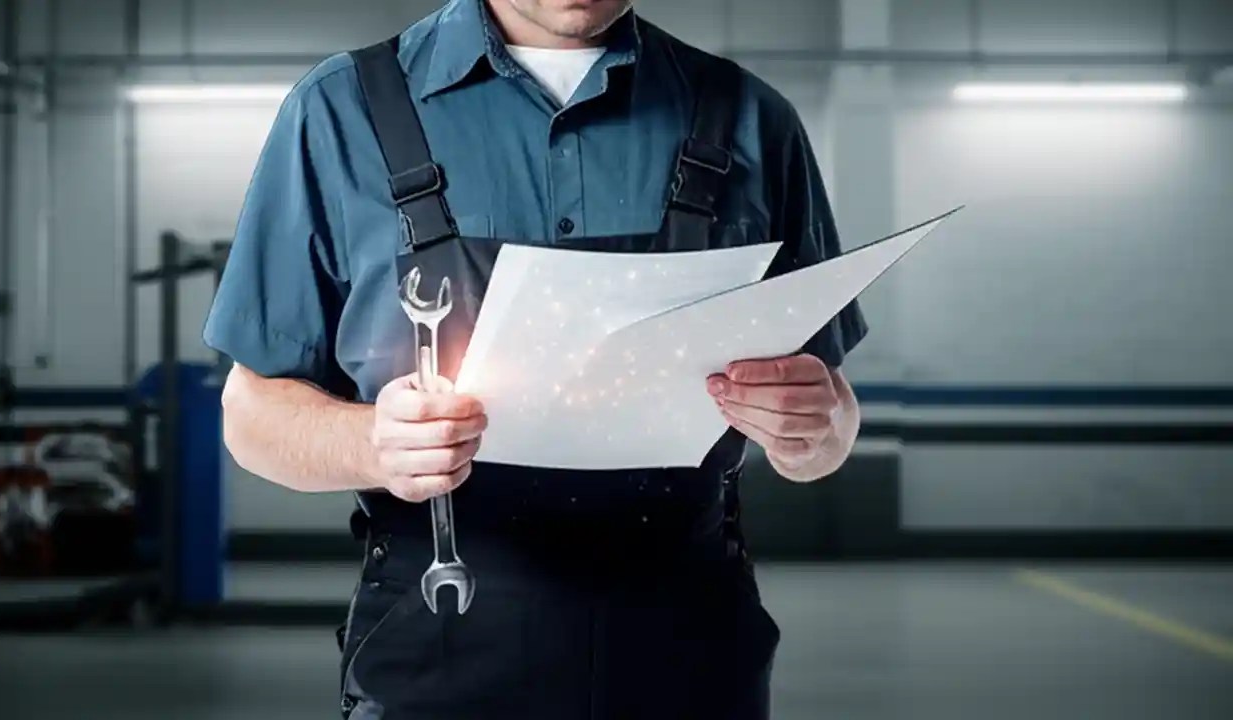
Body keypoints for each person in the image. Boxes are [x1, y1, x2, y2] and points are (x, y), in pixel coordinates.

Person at [203, 0, 867, 717]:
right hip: (440, 631)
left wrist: (815, 432)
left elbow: (830, 417)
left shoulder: (751, 118)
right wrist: (373, 444)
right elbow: (252, 415)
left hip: (690, 646)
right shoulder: (342, 111)